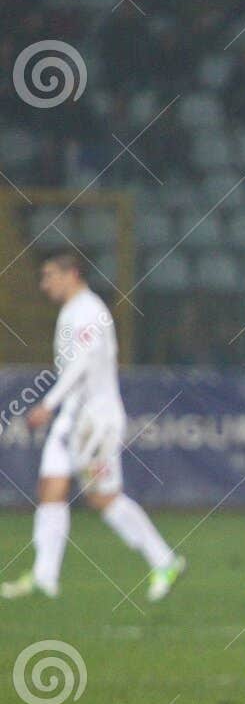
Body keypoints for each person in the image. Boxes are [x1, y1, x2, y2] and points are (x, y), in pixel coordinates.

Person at [2, 250, 184, 602]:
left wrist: (48, 403)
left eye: (50, 275)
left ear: (72, 274)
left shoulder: (89, 311)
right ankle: (44, 578)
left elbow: (83, 363)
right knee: (50, 488)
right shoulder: (73, 311)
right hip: (73, 415)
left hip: (94, 419)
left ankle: (164, 560)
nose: (45, 284)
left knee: (102, 496)